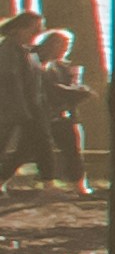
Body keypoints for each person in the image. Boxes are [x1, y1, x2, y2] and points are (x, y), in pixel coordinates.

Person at [0, 13, 80, 189]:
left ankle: (48, 184)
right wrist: (23, 109)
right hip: (18, 108)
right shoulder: (9, 50)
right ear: (20, 28)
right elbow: (12, 81)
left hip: (31, 107)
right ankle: (47, 185)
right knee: (27, 144)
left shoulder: (25, 50)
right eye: (35, 28)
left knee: (37, 144)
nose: (39, 31)